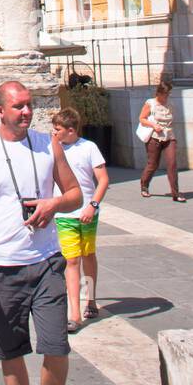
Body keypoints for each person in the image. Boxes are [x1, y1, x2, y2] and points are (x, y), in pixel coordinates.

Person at [0, 80, 82, 385]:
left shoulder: (49, 144)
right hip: (1, 265)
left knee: (56, 346)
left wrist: (54, 204)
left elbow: (75, 193)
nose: (27, 111)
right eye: (19, 106)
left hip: (47, 262)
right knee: (10, 352)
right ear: (0, 111)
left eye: (29, 104)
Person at [50, 108, 109, 332]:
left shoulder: (89, 148)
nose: (54, 133)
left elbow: (102, 179)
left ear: (71, 131)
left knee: (88, 256)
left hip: (86, 213)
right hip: (63, 214)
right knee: (71, 261)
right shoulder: (52, 148)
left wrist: (93, 206)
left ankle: (91, 299)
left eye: (57, 130)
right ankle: (74, 313)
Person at [139, 79, 184, 202]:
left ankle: (175, 193)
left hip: (169, 136)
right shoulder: (150, 103)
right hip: (154, 137)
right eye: (166, 93)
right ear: (159, 93)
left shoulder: (170, 105)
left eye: (169, 93)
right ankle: (144, 185)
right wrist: (154, 125)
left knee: (172, 164)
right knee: (153, 164)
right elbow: (142, 118)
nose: (167, 96)